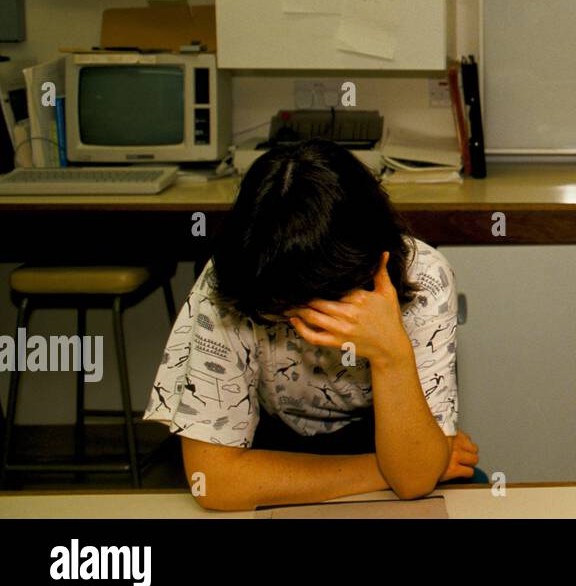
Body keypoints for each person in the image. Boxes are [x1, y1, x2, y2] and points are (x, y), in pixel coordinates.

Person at [144, 139, 479, 510]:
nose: (293, 320)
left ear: (368, 268)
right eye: (281, 310)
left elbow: (414, 480)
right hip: (266, 444)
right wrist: (385, 470)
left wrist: (391, 355)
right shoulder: (235, 279)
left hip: (383, 434)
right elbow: (215, 481)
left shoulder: (427, 279)